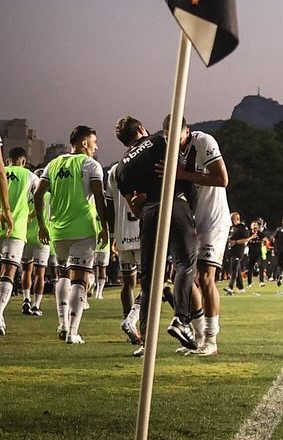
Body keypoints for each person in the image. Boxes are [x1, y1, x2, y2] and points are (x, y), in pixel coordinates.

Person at [113, 123, 199, 354]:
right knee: (184, 264)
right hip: (174, 201)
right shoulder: (160, 139)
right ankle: (181, 319)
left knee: (149, 276)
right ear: (141, 128)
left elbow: (134, 208)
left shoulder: (120, 168)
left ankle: (146, 341)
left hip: (149, 212)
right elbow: (183, 176)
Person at [33, 126, 109, 345]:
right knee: (79, 279)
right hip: (83, 230)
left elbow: (38, 194)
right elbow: (99, 197)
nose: (96, 146)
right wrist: (104, 226)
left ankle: (62, 323)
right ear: (84, 143)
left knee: (64, 275)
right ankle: (73, 331)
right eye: (94, 142)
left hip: (58, 231)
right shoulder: (90, 165)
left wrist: (41, 224)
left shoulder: (53, 164)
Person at [168, 115, 231, 355]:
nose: (175, 141)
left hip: (213, 219)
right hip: (191, 220)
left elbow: (222, 179)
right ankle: (196, 335)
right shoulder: (170, 151)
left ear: (187, 131)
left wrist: (183, 175)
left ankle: (212, 339)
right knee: (182, 275)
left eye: (179, 136)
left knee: (205, 277)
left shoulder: (203, 141)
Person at [108, 116, 149, 345]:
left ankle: (130, 326)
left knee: (128, 282)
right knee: (151, 282)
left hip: (122, 234)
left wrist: (113, 234)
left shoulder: (114, 169)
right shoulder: (145, 160)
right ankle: (134, 321)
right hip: (142, 230)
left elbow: (108, 204)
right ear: (141, 129)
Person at [1, 146, 39, 334]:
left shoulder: (3, 172)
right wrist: (33, 215)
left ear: (7, 160)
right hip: (15, 229)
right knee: (9, 270)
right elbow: (41, 195)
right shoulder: (29, 176)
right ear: (23, 161)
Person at [20, 166, 49, 317]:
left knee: (26, 270)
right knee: (40, 273)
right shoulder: (48, 195)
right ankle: (36, 305)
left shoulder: (25, 195)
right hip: (42, 237)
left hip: (26, 236)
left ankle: (26, 299)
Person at [224, 213, 250, 295]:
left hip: (238, 251)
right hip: (231, 250)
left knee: (234, 269)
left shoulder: (243, 227)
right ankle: (241, 287)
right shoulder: (232, 227)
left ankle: (230, 287)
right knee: (237, 269)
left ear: (237, 218)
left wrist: (236, 242)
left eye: (232, 219)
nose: (231, 221)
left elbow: (246, 239)